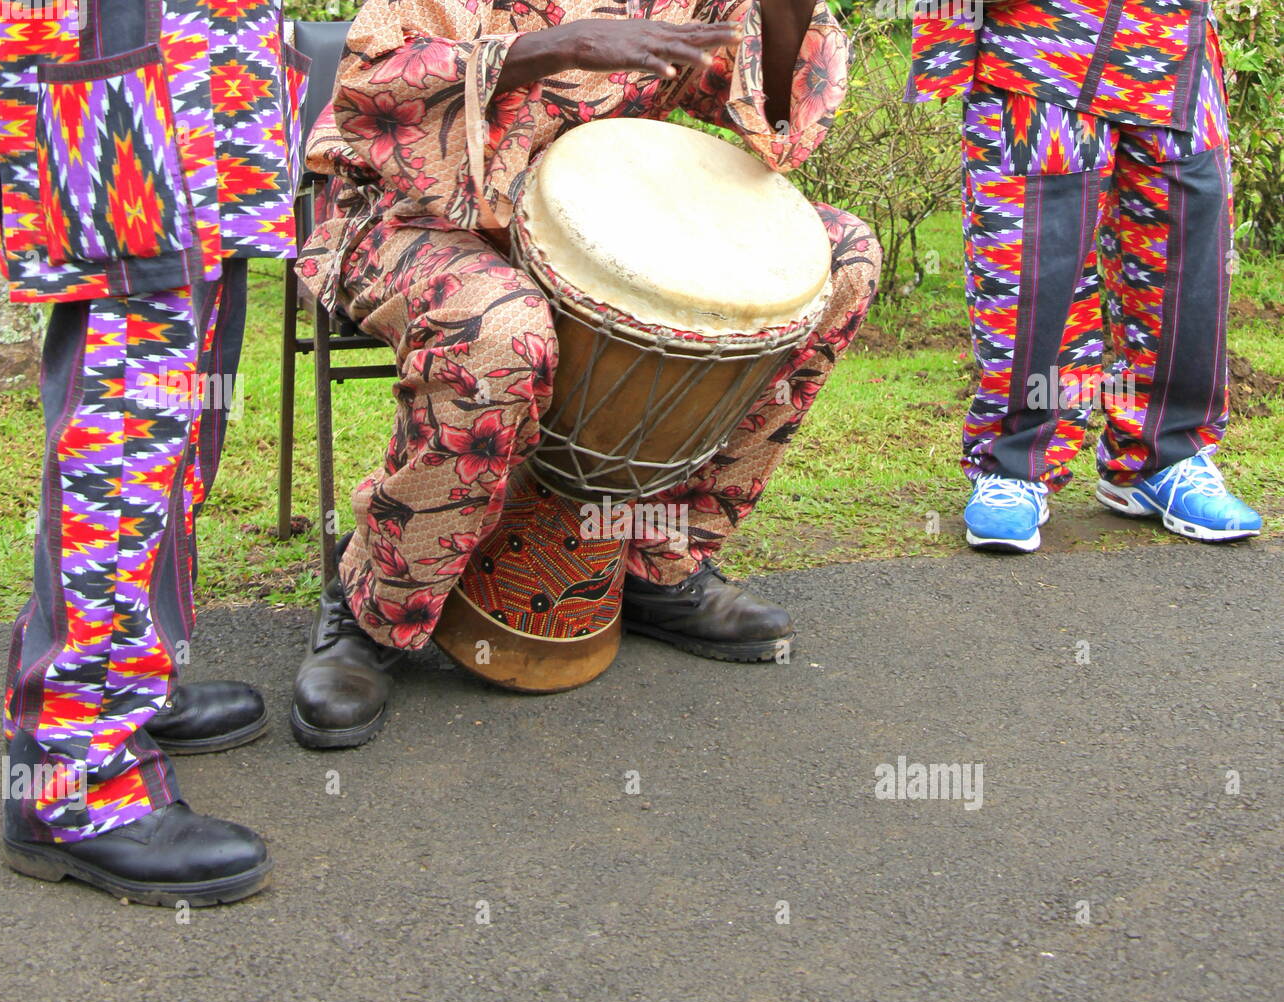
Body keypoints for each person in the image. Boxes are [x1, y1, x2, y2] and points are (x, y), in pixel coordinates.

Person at [290, 0, 883, 748]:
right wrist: (551, 47)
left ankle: (660, 561)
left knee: (844, 261)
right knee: (503, 327)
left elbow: (763, 104)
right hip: (414, 211)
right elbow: (376, 86)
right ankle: (373, 609)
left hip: (595, 216)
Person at [0, 0, 306, 904]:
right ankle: (71, 781)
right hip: (124, 87)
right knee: (123, 447)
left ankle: (135, 670)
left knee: (177, 437)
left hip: (210, 86)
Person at [909, 0, 1261, 552]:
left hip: (1172, 48)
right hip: (1039, 47)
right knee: (1033, 265)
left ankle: (1164, 454)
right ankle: (1016, 463)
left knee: (1187, 261)